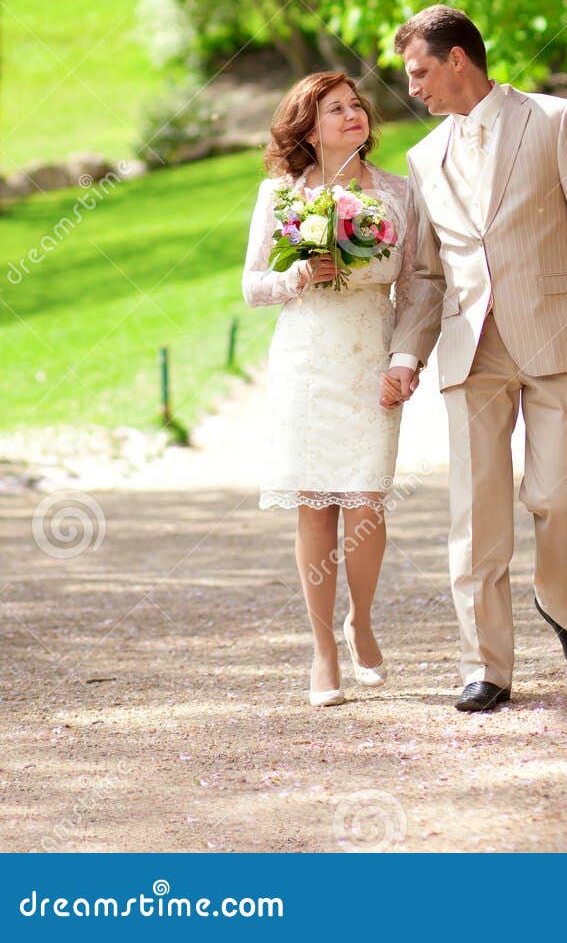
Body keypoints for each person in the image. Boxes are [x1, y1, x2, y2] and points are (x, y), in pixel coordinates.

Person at [381, 6, 567, 714]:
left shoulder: (555, 121)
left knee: (559, 495)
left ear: (458, 59)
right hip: (473, 350)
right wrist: (407, 352)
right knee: (476, 515)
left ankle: (557, 595)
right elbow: (429, 276)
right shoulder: (422, 158)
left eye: (419, 73)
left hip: (559, 332)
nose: (414, 90)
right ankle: (485, 666)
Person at [242, 72, 411, 708]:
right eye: (334, 109)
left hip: (371, 354)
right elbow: (252, 285)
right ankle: (323, 651)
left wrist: (405, 359)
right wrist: (298, 276)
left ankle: (361, 619)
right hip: (306, 358)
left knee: (366, 502)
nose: (352, 114)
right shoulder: (280, 195)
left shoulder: (397, 192)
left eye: (356, 104)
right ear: (308, 128)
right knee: (316, 503)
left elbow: (418, 280)